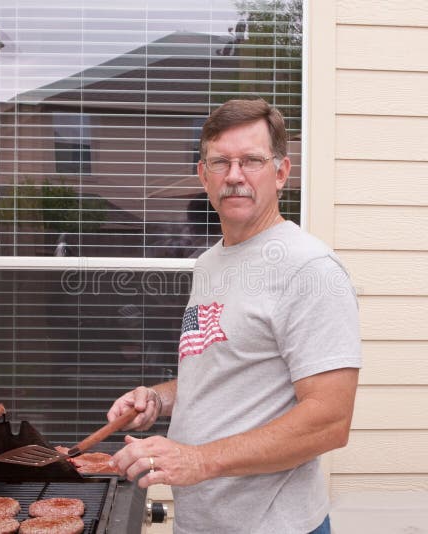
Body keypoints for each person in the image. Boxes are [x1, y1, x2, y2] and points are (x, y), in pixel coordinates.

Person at [107, 98, 361, 533]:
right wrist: (158, 398)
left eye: (252, 161)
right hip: (203, 522)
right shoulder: (209, 264)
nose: (235, 175)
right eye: (220, 162)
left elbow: (329, 421)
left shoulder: (310, 269)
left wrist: (196, 460)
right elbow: (219, 371)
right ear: (204, 176)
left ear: (281, 172)